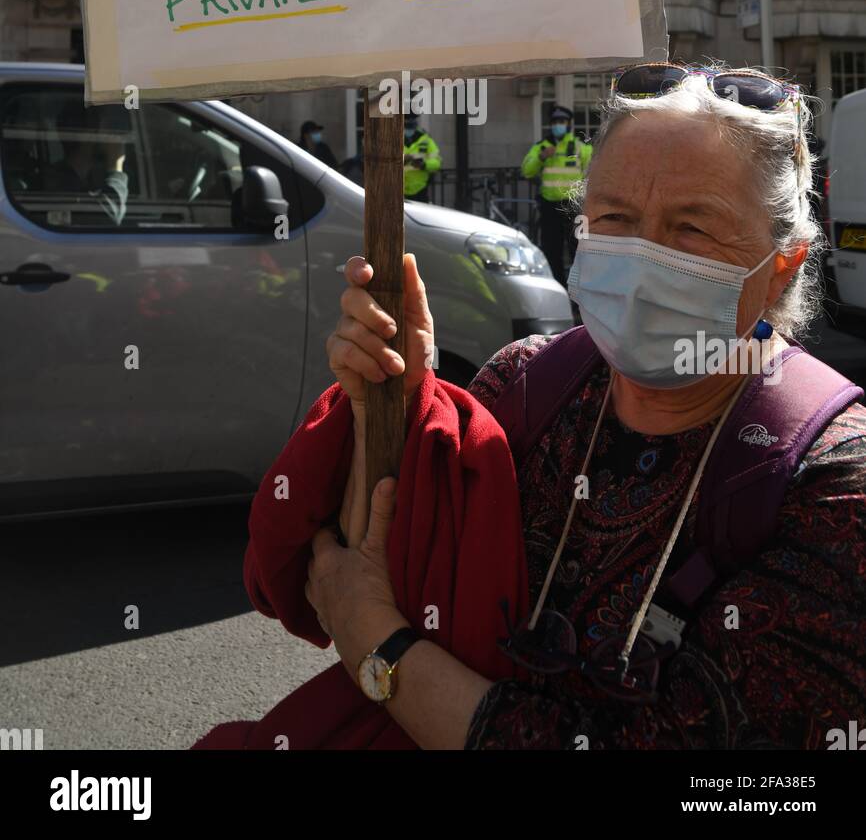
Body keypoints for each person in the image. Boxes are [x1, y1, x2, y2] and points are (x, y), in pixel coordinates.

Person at [303, 62, 866, 749]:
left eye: (691, 227)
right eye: (616, 218)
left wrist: (381, 655)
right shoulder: (520, 386)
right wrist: (382, 402)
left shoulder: (838, 481)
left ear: (783, 261)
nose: (641, 257)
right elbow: (359, 571)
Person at [521, 104, 592, 283]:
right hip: (550, 206)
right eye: (554, 122)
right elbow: (526, 171)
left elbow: (592, 172)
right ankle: (559, 291)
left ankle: (579, 296)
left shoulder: (579, 146)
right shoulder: (541, 147)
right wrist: (541, 157)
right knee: (551, 251)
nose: (557, 125)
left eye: (562, 122)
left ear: (568, 124)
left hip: (574, 206)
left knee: (579, 251)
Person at [43, 99, 129, 226]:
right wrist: (116, 168)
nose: (110, 136)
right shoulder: (59, 184)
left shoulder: (87, 179)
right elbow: (105, 218)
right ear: (88, 134)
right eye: (105, 129)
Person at [402, 112, 441, 204]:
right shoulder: (393, 139)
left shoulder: (426, 140)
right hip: (398, 188)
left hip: (420, 189)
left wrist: (424, 164)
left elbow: (437, 162)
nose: (408, 130)